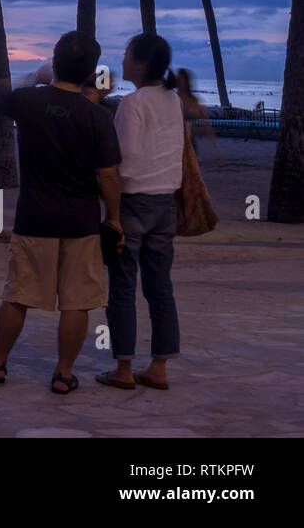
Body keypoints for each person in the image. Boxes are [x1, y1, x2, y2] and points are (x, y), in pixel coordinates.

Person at [0, 30, 123, 395]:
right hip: (82, 221)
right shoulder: (98, 116)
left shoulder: (29, 101)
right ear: (90, 72)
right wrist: (114, 217)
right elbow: (107, 174)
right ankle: (63, 373)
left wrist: (35, 77)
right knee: (77, 301)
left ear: (54, 64)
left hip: (35, 217)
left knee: (18, 294)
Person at [98, 34, 184, 392]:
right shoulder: (173, 100)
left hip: (134, 201)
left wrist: (111, 211)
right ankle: (159, 366)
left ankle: (123, 368)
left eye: (127, 55)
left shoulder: (132, 104)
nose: (122, 60)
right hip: (166, 202)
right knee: (160, 286)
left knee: (122, 285)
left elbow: (125, 159)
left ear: (141, 63)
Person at [176, 69, 220, 158]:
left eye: (182, 80)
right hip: (174, 142)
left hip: (189, 142)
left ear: (186, 81)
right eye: (178, 80)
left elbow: (206, 125)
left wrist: (216, 149)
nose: (180, 83)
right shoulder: (173, 98)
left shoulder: (193, 101)